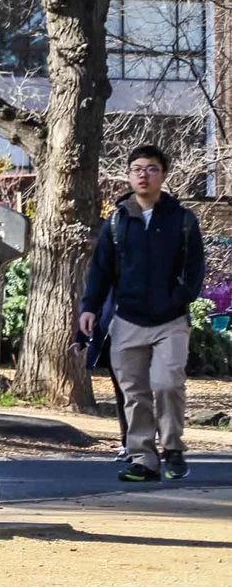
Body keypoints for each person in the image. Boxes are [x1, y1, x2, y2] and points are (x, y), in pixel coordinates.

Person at [80, 142, 207, 482]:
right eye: (137, 169)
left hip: (171, 320)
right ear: (129, 175)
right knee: (133, 393)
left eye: (152, 169)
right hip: (127, 319)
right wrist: (89, 308)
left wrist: (178, 298)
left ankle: (173, 449)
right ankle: (143, 459)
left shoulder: (181, 219)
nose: (144, 175)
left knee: (167, 384)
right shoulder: (118, 221)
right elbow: (101, 269)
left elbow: (195, 268)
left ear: (163, 176)